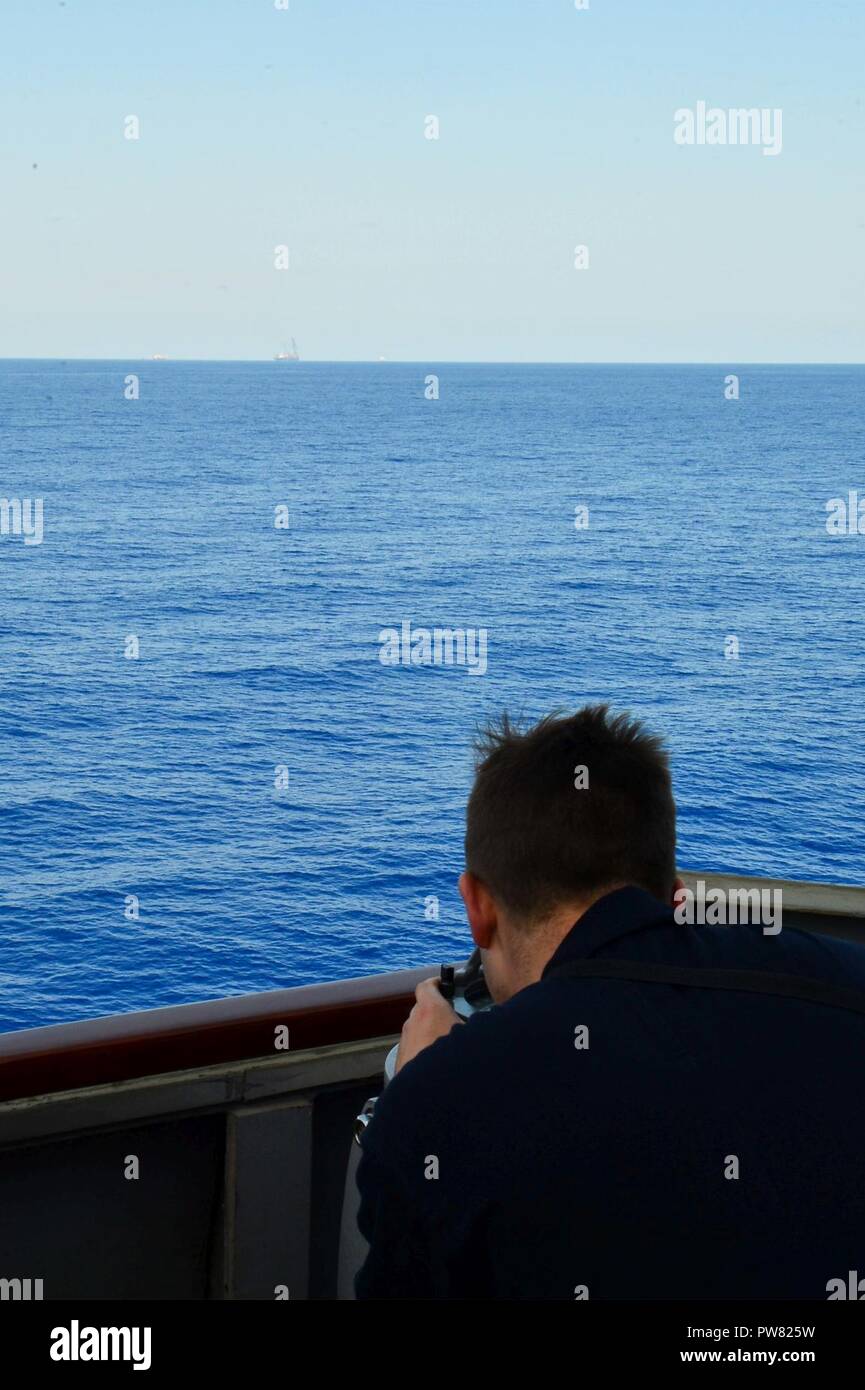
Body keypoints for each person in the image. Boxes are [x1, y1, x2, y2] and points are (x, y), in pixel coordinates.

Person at [354, 704, 865, 1300]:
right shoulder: (845, 988)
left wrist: (419, 1090)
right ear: (675, 898)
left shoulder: (441, 1105)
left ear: (478, 908)